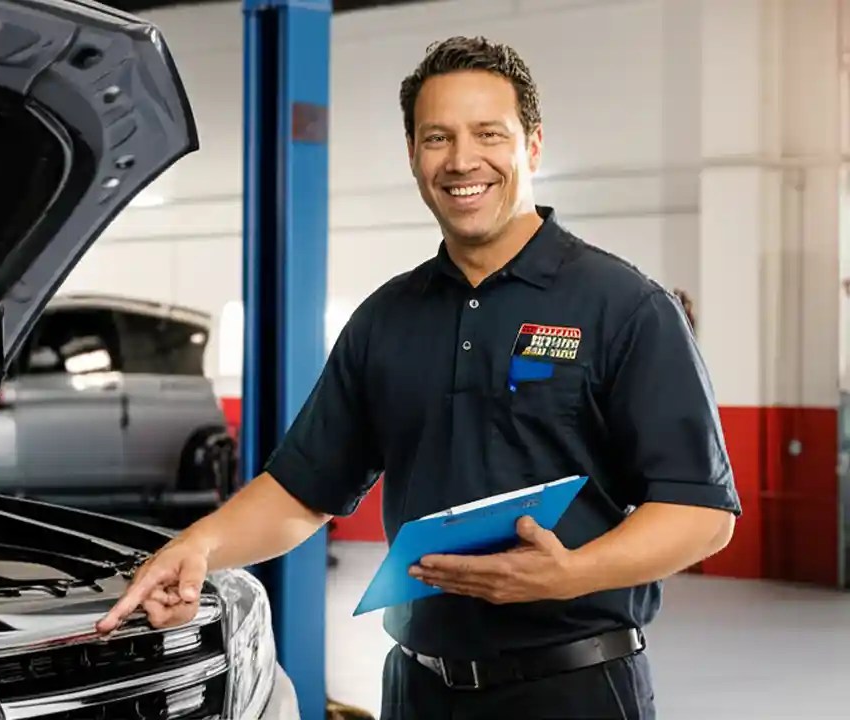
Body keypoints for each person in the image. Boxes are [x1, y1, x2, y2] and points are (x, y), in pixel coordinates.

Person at [97, 35, 740, 719]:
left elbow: (701, 514)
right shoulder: (385, 320)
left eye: (488, 133)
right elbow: (301, 492)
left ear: (533, 145)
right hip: (416, 689)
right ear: (412, 155)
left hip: (573, 687)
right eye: (437, 138)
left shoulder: (624, 307)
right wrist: (198, 547)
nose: (463, 160)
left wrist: (570, 573)